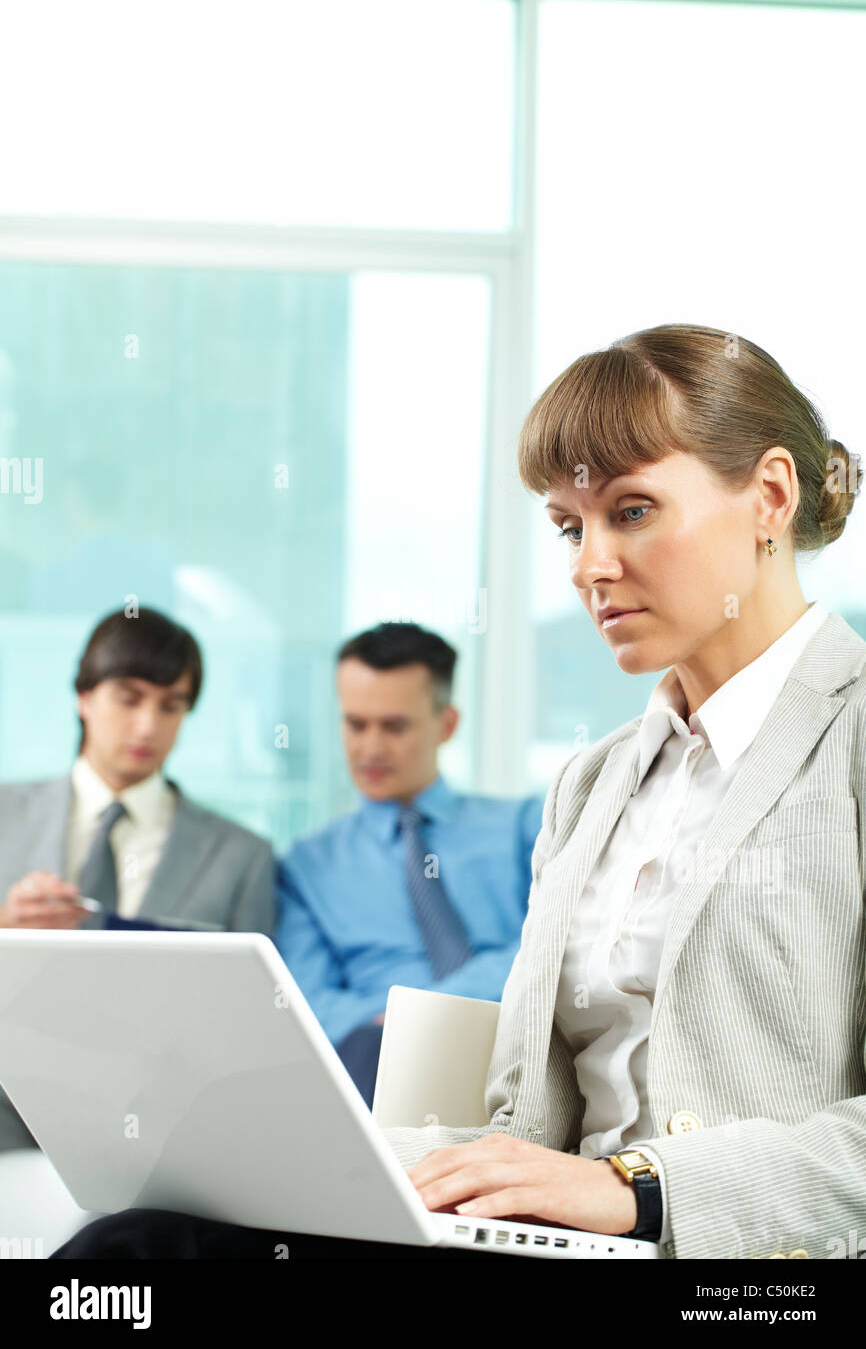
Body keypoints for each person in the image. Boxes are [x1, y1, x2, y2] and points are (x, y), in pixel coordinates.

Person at [52, 322, 865, 1260]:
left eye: (632, 511)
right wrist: (320, 1161)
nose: (588, 565)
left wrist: (638, 1188)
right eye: (569, 525)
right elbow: (523, 1127)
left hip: (747, 1272)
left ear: (769, 495)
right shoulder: (593, 783)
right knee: (139, 1241)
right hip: (552, 1242)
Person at [0, 606, 275, 1152]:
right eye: (129, 698)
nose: (148, 725)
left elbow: (255, 1028)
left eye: (171, 705)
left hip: (160, 1137)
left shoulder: (242, 856)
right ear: (83, 696)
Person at [276, 621, 544, 1105]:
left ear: (447, 724)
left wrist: (423, 1014)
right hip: (377, 1081)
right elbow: (305, 1004)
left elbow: (551, 950)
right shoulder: (306, 867)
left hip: (521, 1064)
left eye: (395, 726)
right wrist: (405, 1027)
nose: (371, 748)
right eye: (356, 724)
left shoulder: (525, 827)